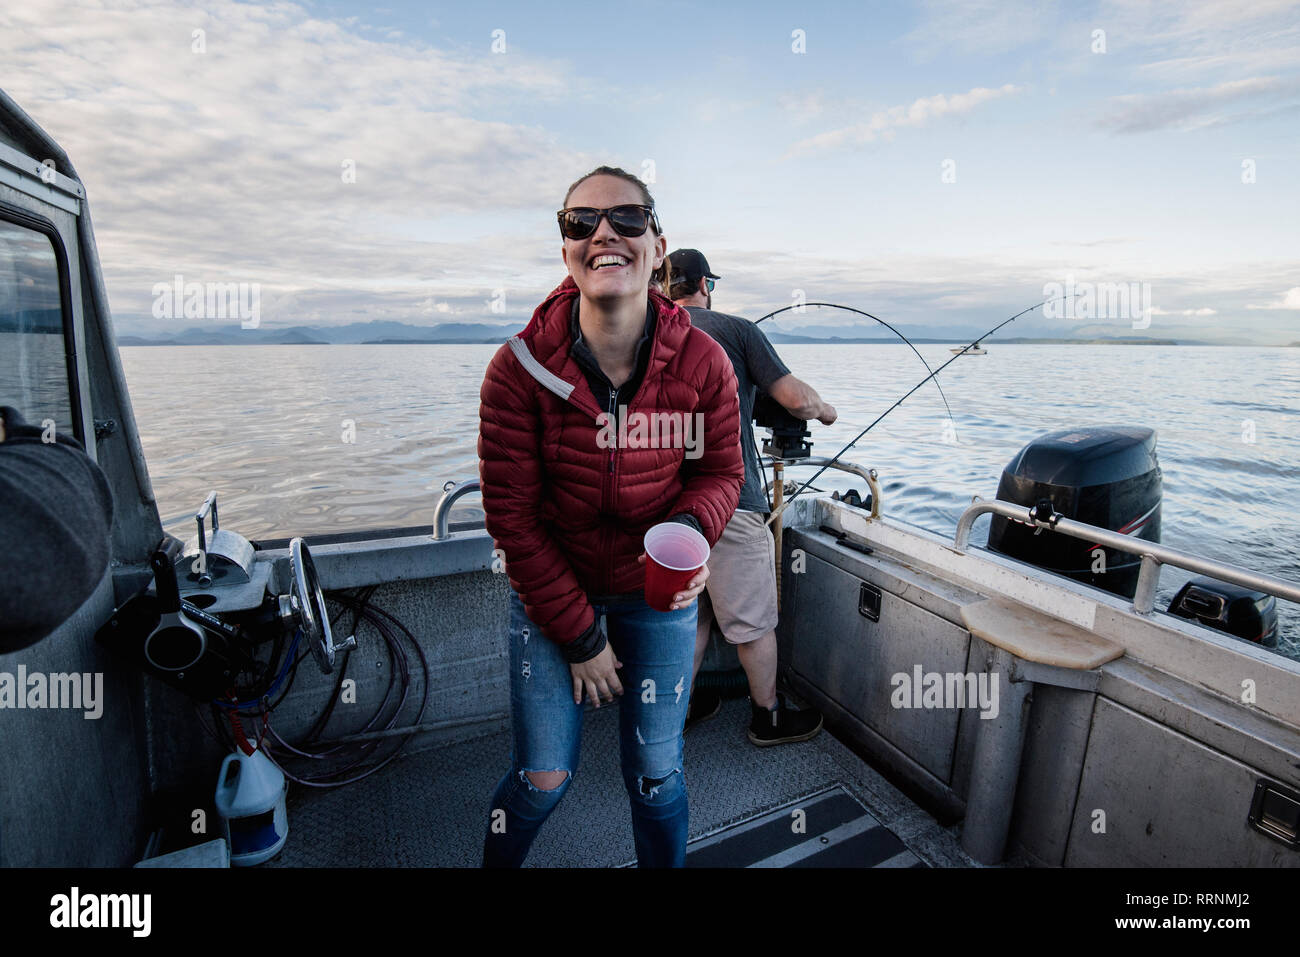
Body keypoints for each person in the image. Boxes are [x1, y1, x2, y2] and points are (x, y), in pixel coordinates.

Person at [477, 169, 744, 867]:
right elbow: (512, 516)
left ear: (658, 246)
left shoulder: (704, 363)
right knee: (543, 777)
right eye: (581, 222)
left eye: (628, 219)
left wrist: (692, 529)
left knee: (657, 779)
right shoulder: (518, 370)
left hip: (655, 601)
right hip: (549, 597)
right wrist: (580, 637)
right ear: (566, 248)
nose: (604, 233)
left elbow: (720, 471)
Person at [667, 248, 837, 746]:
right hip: (729, 501)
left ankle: (673, 712)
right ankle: (768, 717)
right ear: (705, 285)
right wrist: (825, 410)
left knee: (687, 619)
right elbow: (795, 400)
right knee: (753, 621)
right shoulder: (736, 330)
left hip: (662, 514)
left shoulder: (643, 334)